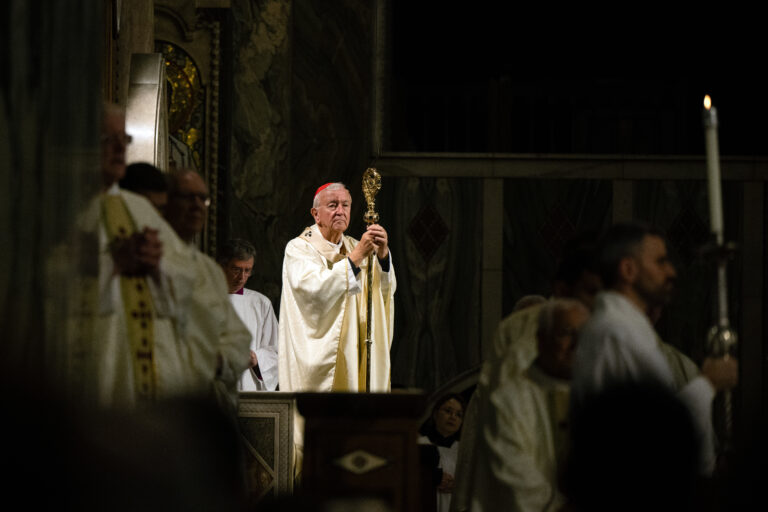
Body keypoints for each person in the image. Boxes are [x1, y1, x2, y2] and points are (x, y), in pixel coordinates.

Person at [571, 222, 738, 475]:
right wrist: (708, 384)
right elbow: (655, 433)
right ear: (628, 269)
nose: (671, 271)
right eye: (660, 262)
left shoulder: (625, 328)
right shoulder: (617, 333)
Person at [68, 102, 195, 408]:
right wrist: (111, 263)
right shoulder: (58, 209)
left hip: (149, 373)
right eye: (105, 140)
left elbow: (186, 284)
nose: (118, 149)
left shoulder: (139, 210)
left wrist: (157, 267)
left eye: (123, 140)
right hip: (92, 368)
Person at [470, 299, 589, 512]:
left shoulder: (599, 396)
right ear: (541, 340)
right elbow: (514, 478)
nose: (576, 344)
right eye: (566, 333)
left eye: (585, 335)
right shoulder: (509, 400)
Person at [278, 182, 396, 393]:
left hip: (356, 350)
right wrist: (357, 256)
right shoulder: (299, 249)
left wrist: (383, 256)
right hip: (320, 361)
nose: (340, 211)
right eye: (333, 205)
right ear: (316, 213)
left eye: (346, 205)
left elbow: (382, 293)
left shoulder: (353, 244)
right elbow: (314, 293)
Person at [163, 168, 252, 411]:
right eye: (187, 197)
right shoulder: (149, 258)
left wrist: (218, 361)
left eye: (202, 199)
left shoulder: (207, 270)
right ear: (164, 202)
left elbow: (239, 338)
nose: (197, 206)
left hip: (203, 401)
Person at [218, 238, 279, 391]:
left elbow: (276, 351)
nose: (242, 277)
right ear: (222, 266)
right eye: (236, 269)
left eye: (247, 271)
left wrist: (256, 359)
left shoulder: (261, 304)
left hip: (248, 388)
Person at [418, 394, 466, 512]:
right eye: (448, 411)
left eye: (458, 415)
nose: (453, 417)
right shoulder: (420, 444)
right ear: (435, 414)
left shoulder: (464, 450)